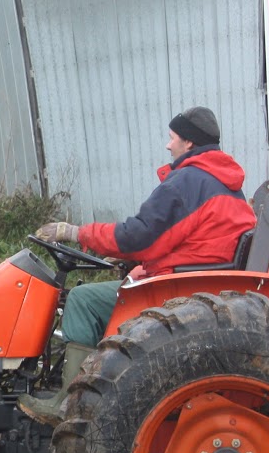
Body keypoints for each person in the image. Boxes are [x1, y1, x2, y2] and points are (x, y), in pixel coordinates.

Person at [19, 106, 256, 424]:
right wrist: (135, 258)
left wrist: (77, 233)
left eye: (171, 138)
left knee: (82, 299)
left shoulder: (187, 181)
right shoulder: (225, 182)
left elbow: (139, 235)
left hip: (179, 288)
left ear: (189, 143)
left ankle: (67, 404)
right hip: (200, 279)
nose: (167, 145)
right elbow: (187, 238)